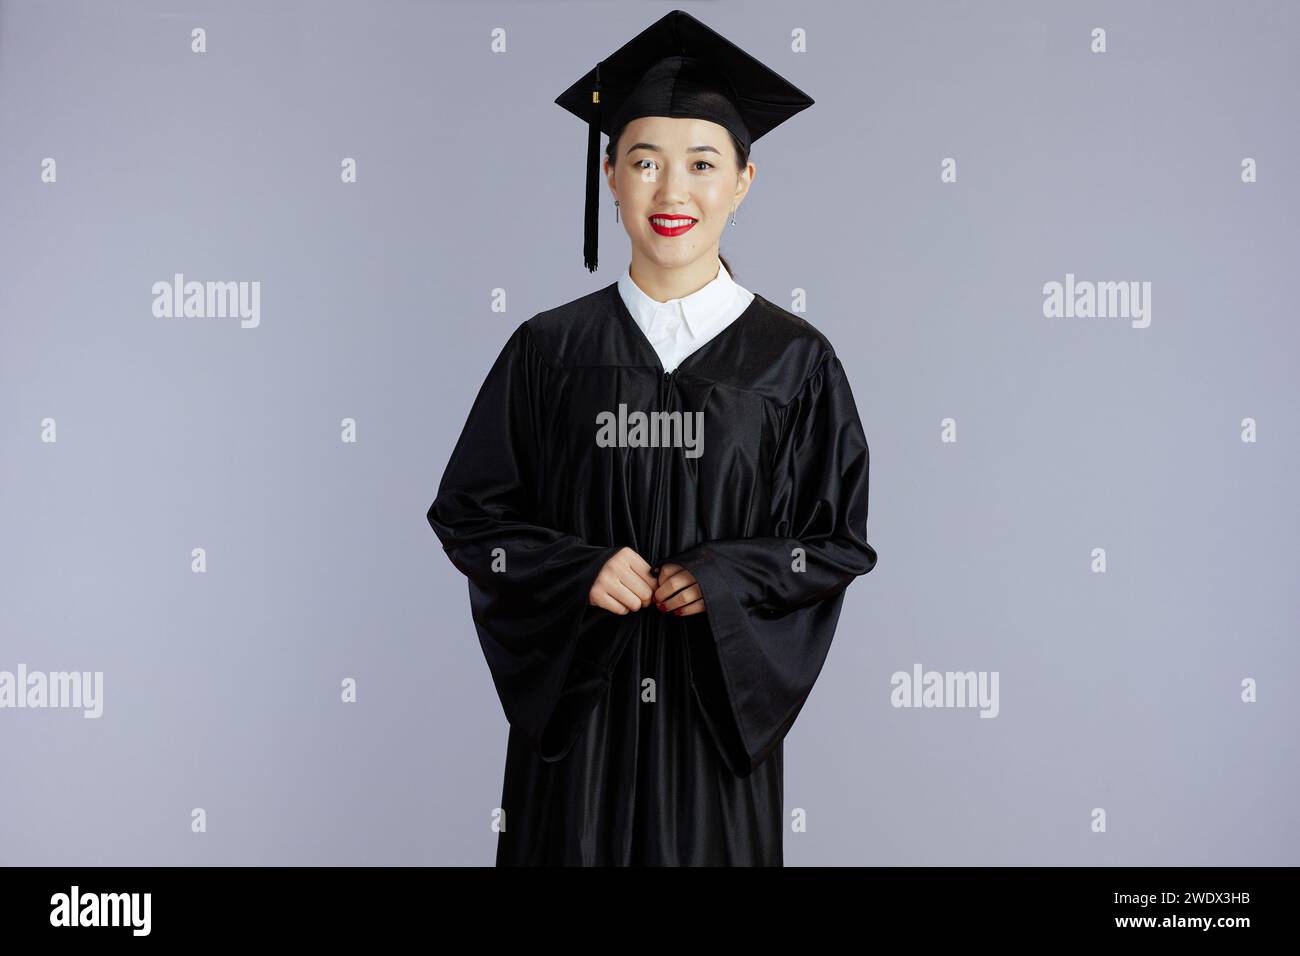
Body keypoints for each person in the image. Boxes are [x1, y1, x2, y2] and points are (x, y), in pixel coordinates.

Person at [427, 9, 878, 865]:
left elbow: (835, 545)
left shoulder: (794, 361)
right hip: (579, 725)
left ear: (744, 180)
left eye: (703, 163)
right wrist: (576, 569)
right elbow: (471, 519)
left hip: (715, 729)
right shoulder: (549, 351)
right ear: (610, 177)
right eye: (644, 162)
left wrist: (724, 576)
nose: (673, 193)